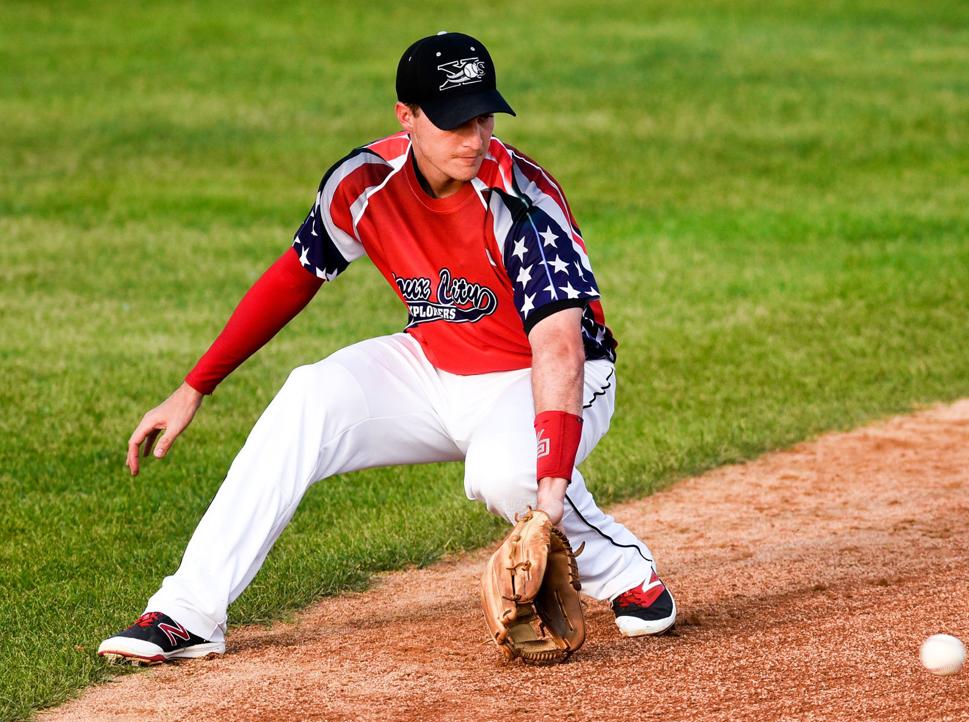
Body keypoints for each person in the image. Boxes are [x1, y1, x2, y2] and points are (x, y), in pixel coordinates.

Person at [98, 31, 676, 665]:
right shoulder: (365, 183)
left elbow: (560, 351)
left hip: (548, 373)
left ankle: (624, 573)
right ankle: (187, 612)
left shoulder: (521, 202)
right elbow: (294, 276)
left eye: (483, 116)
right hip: (435, 364)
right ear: (407, 117)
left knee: (505, 471)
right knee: (309, 396)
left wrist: (543, 511)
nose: (475, 138)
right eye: (455, 121)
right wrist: (194, 386)